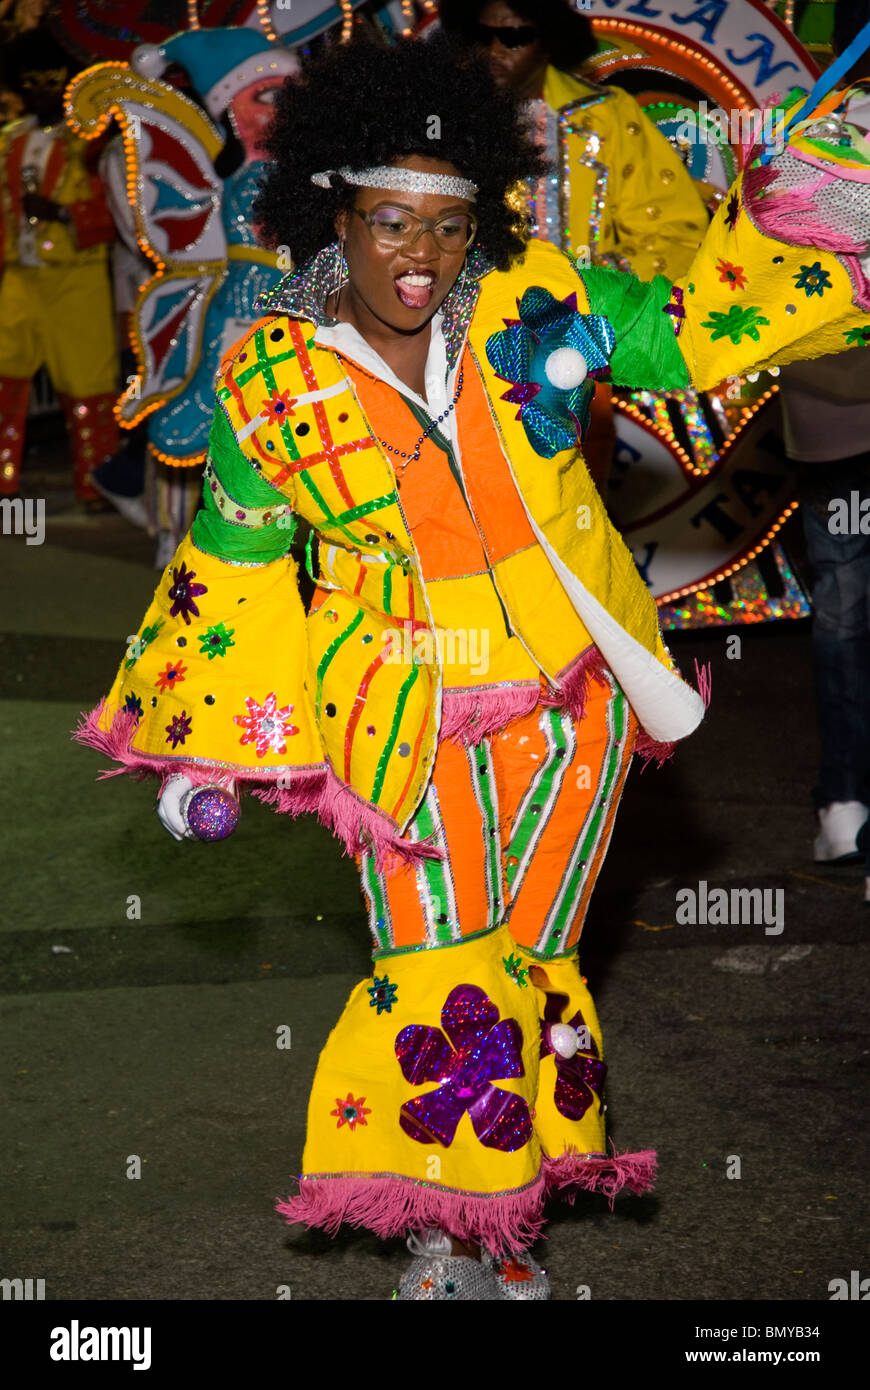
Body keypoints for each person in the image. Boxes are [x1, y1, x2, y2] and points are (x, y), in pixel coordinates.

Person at [76, 37, 870, 1298]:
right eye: (390, 220)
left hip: (576, 707)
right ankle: (446, 1234)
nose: (419, 255)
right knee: (437, 969)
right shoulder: (270, 381)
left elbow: (684, 331)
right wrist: (203, 748)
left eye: (447, 227)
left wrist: (813, 221)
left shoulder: (532, 297)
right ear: (332, 213)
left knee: (535, 965)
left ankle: (508, 1220)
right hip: (399, 716)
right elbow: (229, 566)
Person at [438, 0, 709, 491]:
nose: (495, 51)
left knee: (577, 508)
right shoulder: (440, 122)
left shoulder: (607, 118)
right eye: (482, 37)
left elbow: (676, 234)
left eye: (514, 37)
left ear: (546, 40)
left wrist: (589, 292)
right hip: (456, 351)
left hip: (577, 350)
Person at [777, 0, 870, 888]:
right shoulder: (814, 140)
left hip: (836, 417)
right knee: (845, 621)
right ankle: (845, 802)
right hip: (841, 419)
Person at [0, 26, 119, 506]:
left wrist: (65, 214)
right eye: (33, 84)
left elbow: (118, 208)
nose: (41, 93)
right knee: (4, 375)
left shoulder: (92, 143)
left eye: (52, 82)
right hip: (18, 277)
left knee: (88, 381)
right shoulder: (8, 140)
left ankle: (95, 483)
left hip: (78, 275)